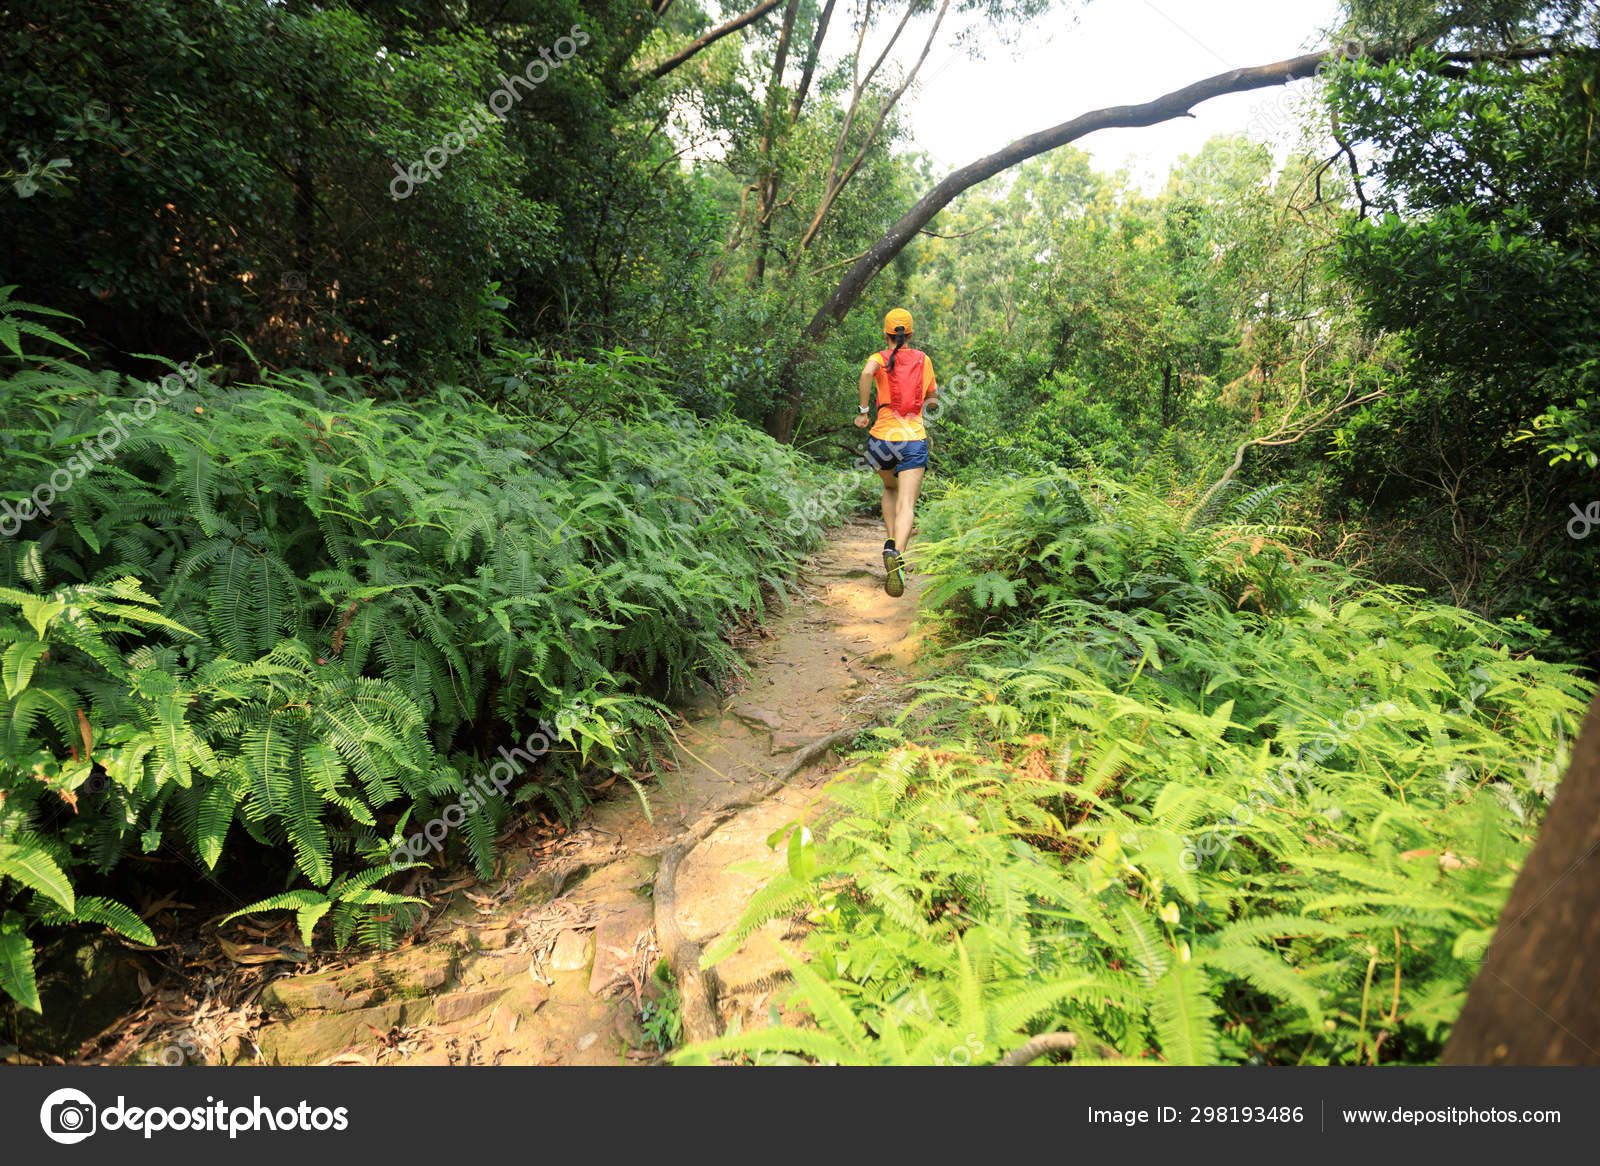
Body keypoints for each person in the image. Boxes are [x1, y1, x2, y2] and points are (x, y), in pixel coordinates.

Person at [854, 308, 936, 597]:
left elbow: (866, 374)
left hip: (881, 439)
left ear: (886, 334)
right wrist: (929, 405)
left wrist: (864, 412)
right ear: (910, 334)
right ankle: (897, 555)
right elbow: (933, 397)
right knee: (907, 503)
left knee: (890, 488)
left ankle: (890, 544)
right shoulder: (923, 360)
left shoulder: (878, 358)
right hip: (913, 440)